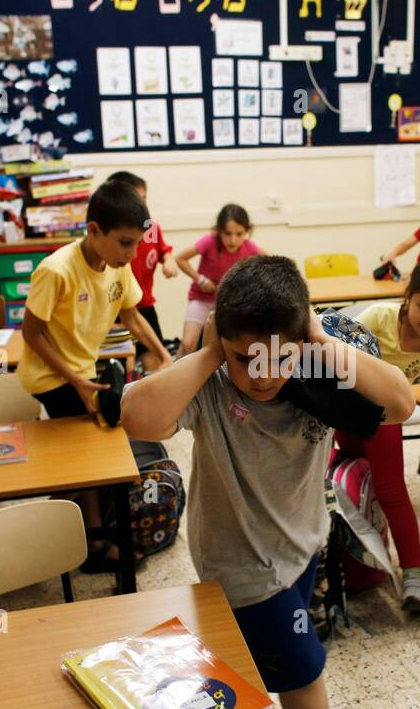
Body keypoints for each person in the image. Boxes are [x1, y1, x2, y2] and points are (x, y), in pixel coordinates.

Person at [120, 254, 415, 709]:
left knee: (263, 652)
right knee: (302, 667)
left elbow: (400, 403)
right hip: (241, 564)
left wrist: (319, 339)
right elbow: (138, 418)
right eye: (243, 358)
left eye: (279, 358)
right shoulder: (211, 386)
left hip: (304, 542)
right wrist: (211, 350)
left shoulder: (318, 370)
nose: (261, 375)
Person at [16, 180, 171, 572]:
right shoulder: (56, 270)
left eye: (137, 243)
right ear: (94, 231)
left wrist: (164, 354)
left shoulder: (118, 269)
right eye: (124, 243)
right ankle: (97, 545)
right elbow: (31, 334)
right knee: (99, 453)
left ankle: (84, 526)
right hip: (50, 377)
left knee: (101, 449)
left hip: (84, 372)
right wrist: (76, 380)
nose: (132, 253)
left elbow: (132, 315)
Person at [342, 257, 420, 613]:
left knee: (391, 489)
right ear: (408, 297)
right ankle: (346, 558)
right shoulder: (379, 317)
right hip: (343, 407)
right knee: (347, 474)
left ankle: (412, 573)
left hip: (384, 415)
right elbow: (334, 340)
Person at [106, 171, 176, 373]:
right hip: (115, 304)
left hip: (143, 302)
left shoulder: (151, 227)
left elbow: (164, 250)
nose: (141, 206)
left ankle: (152, 392)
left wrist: (168, 261)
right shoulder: (109, 235)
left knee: (154, 353)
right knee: (119, 359)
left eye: (144, 199)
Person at [174, 204, 261, 358]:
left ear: (246, 232)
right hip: (201, 300)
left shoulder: (250, 248)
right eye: (228, 233)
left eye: (239, 234)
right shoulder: (209, 241)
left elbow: (268, 266)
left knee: (230, 348)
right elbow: (180, 259)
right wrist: (200, 279)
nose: (233, 240)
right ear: (219, 231)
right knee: (188, 344)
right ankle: (174, 378)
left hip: (229, 305)